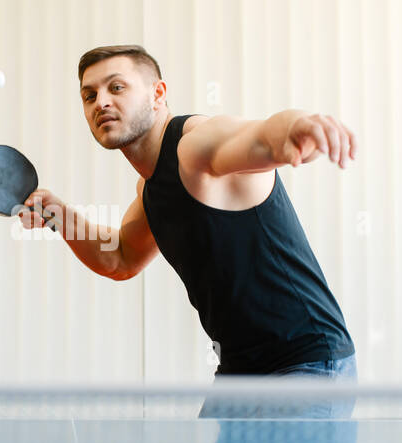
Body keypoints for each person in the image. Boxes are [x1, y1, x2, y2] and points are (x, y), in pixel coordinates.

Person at [19, 45, 358, 419]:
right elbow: (119, 258)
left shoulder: (194, 144)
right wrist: (59, 216)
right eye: (89, 95)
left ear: (157, 94)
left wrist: (296, 127)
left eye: (117, 88)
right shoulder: (150, 192)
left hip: (305, 366)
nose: (101, 102)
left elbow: (261, 136)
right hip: (239, 375)